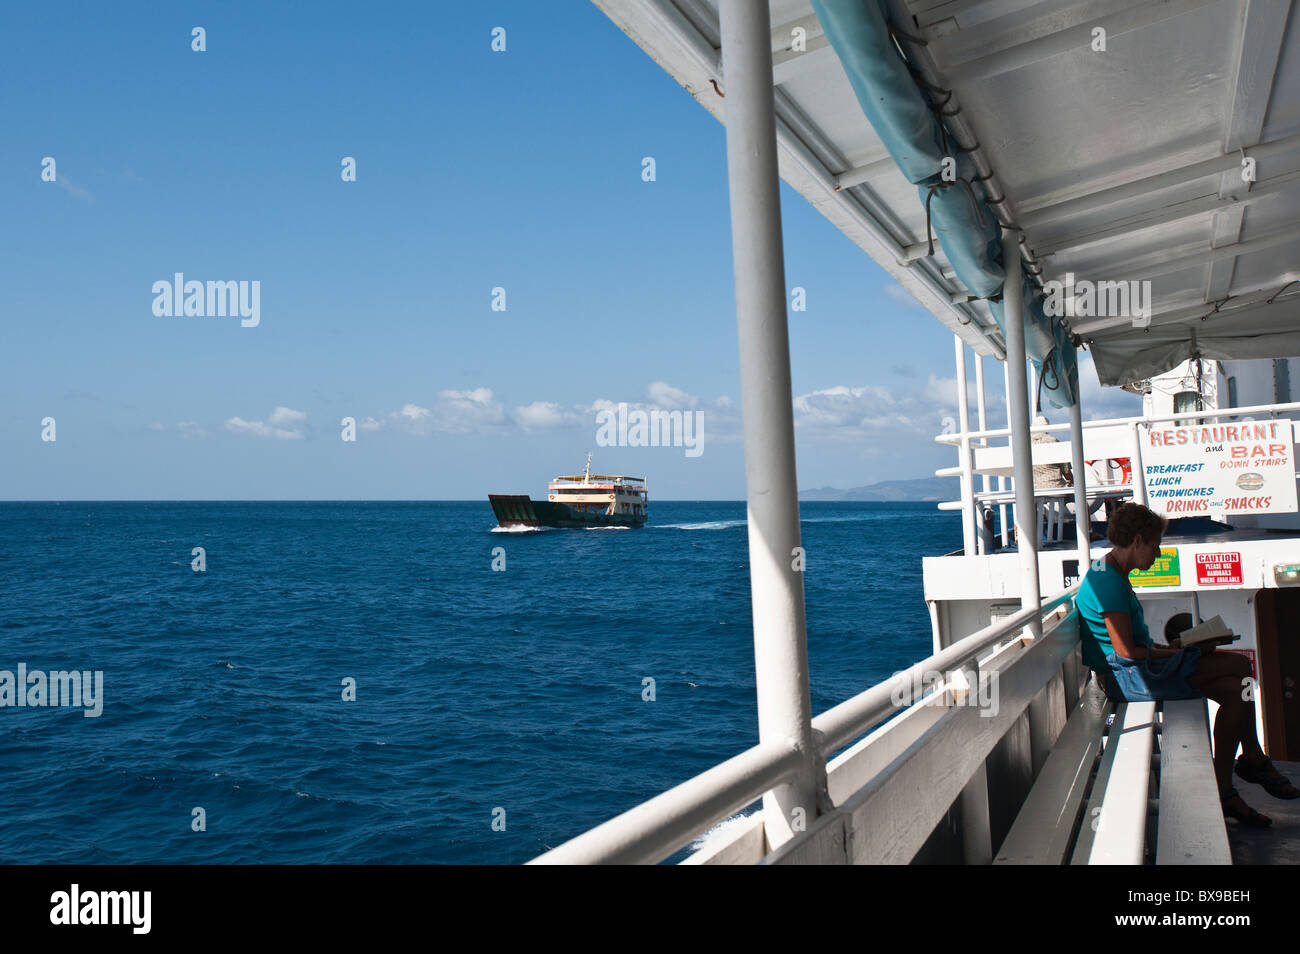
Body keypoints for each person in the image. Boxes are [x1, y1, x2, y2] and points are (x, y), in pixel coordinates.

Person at [1075, 502, 1298, 827]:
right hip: (1126, 678)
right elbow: (1126, 653)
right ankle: (1249, 760)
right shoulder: (1107, 582)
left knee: (1238, 691)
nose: (1157, 554)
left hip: (1133, 671)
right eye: (1154, 546)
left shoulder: (1109, 572)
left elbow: (1135, 648)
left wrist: (1178, 646)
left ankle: (1230, 784)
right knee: (1240, 668)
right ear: (1137, 541)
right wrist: (1181, 653)